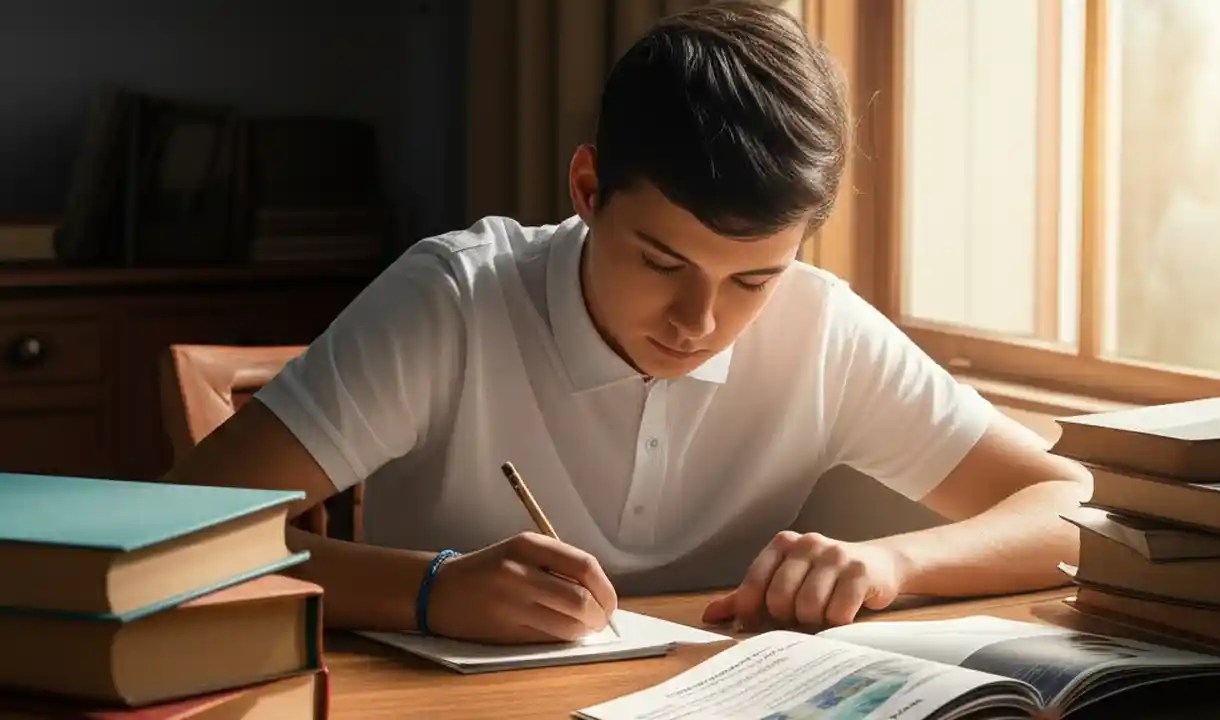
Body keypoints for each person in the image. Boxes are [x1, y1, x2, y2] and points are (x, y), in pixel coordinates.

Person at [163, 1, 1090, 645]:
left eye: (753, 280)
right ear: (587, 188)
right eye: (663, 263)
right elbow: (173, 539)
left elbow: (1076, 509)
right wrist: (428, 588)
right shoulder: (453, 303)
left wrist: (892, 564)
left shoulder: (822, 331)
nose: (700, 321)